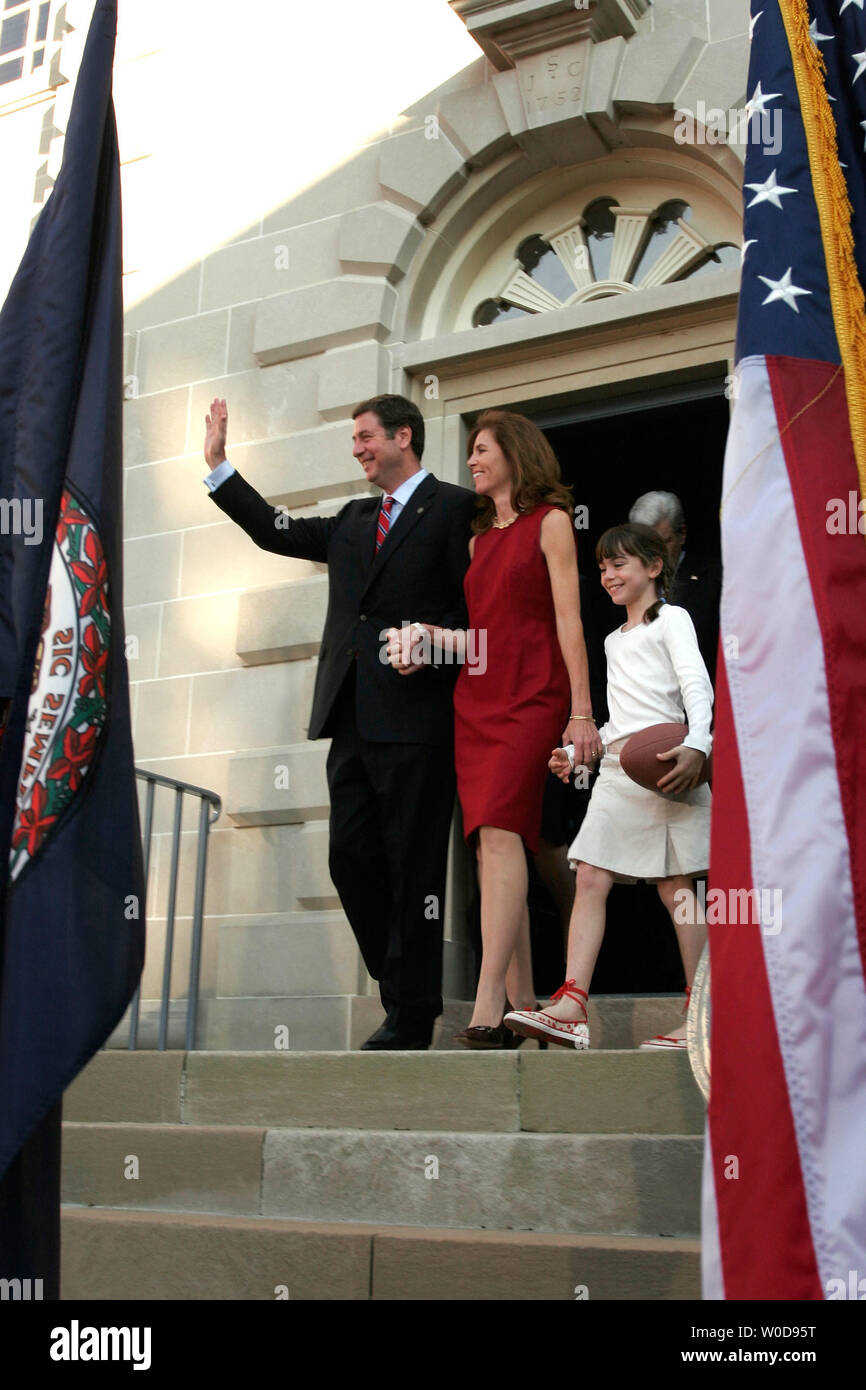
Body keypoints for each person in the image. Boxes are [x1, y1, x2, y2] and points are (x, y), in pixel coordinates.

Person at [202, 393, 476, 1050]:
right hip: (349, 715)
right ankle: (400, 977)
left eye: (365, 437)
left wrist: (436, 643)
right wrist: (219, 467)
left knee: (413, 869)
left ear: (402, 437)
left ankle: (411, 1016)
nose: (356, 449)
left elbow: (483, 614)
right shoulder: (354, 518)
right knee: (351, 857)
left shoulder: (456, 510)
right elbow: (277, 529)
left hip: (417, 719)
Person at [402, 410, 599, 1048]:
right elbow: (483, 631)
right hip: (477, 699)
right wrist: (434, 641)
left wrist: (581, 711)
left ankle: (487, 1001)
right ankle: (521, 1003)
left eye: (481, 450)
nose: (471, 462)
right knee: (490, 845)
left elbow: (570, 621)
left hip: (534, 694)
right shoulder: (478, 540)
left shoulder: (552, 524)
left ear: (514, 454)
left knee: (502, 830)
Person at [504, 522, 711, 1050]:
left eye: (619, 563)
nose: (608, 574)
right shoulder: (611, 639)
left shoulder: (674, 620)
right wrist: (578, 754)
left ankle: (703, 1021)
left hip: (665, 767)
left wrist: (699, 747)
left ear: (654, 567)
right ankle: (572, 1006)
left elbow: (696, 686)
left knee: (676, 890)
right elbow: (619, 722)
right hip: (620, 770)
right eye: (601, 567)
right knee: (591, 875)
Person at [628, 490, 721, 682]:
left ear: (682, 534)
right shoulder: (620, 584)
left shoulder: (714, 579)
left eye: (663, 542)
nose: (654, 554)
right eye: (644, 544)